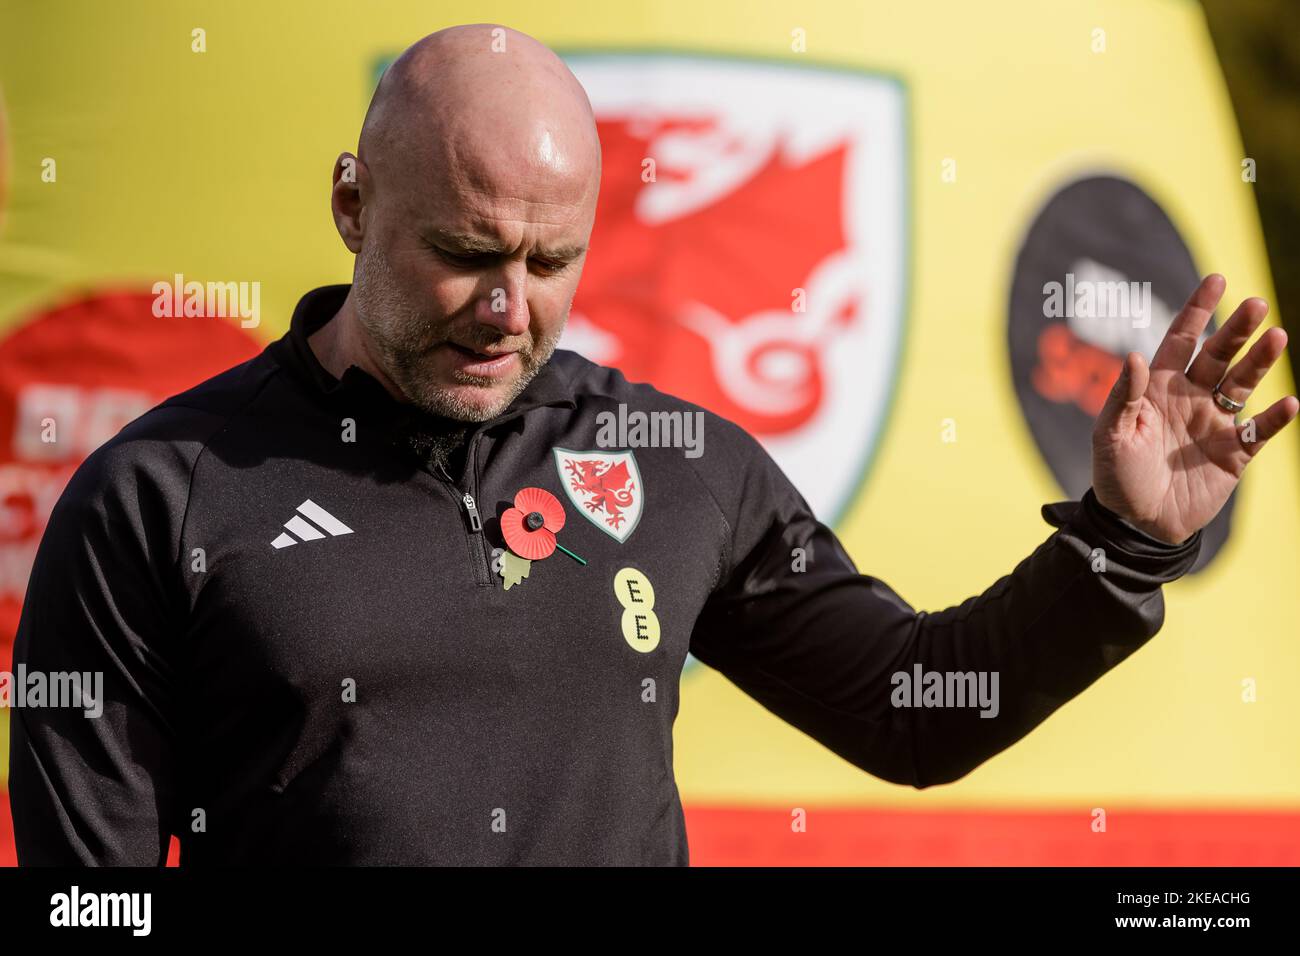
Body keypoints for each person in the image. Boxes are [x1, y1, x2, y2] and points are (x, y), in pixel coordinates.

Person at [8, 24, 1297, 866]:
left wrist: (1122, 547)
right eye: (463, 255)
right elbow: (85, 894)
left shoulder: (676, 463)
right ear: (353, 204)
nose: (507, 309)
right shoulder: (156, 497)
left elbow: (917, 710)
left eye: (549, 261)